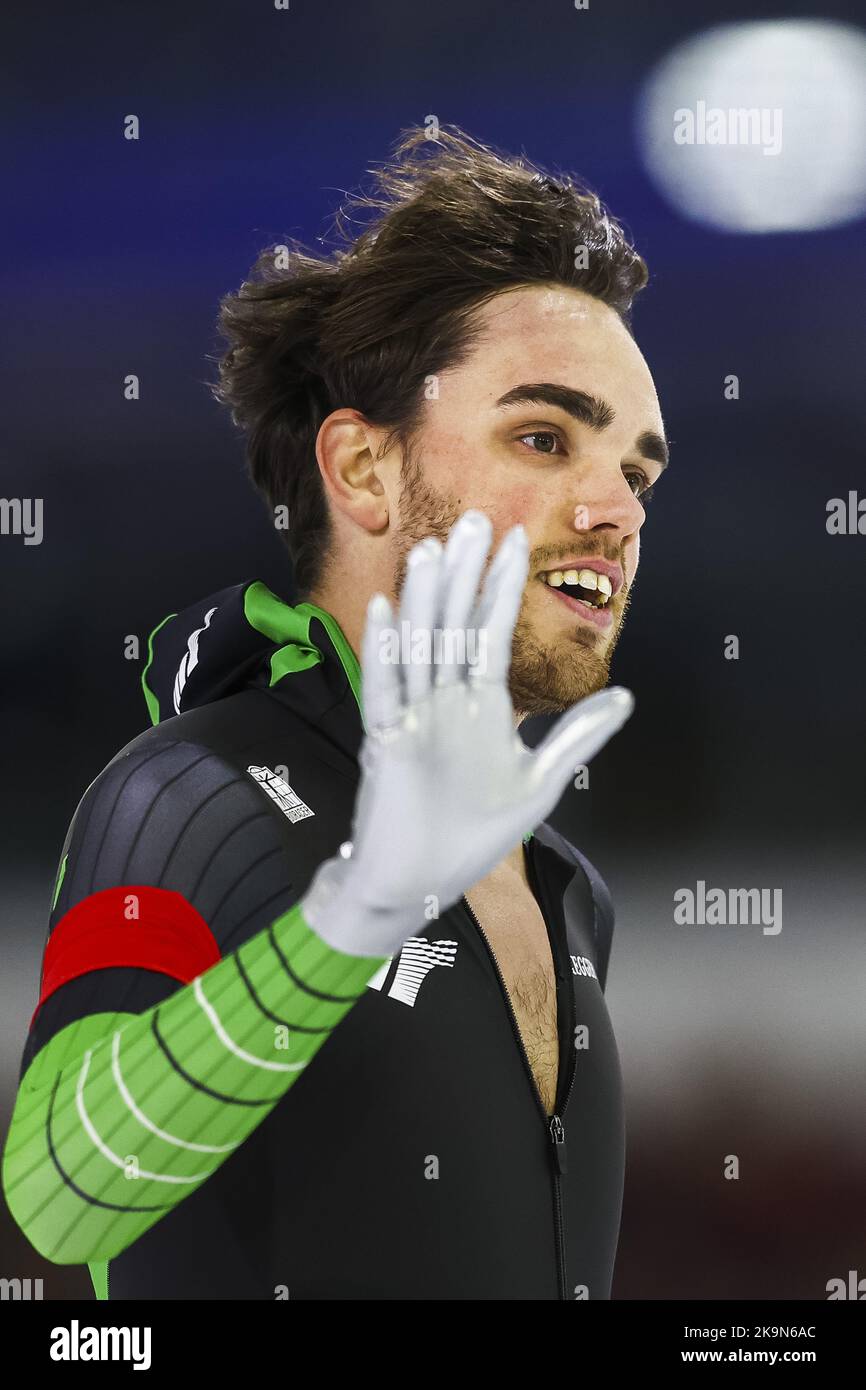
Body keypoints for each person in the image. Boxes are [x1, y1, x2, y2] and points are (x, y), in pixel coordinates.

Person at [1, 126, 667, 1300]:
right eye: (543, 436)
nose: (616, 507)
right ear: (361, 470)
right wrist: (352, 914)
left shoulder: (568, 889)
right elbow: (60, 1195)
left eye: (637, 473)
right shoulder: (193, 795)